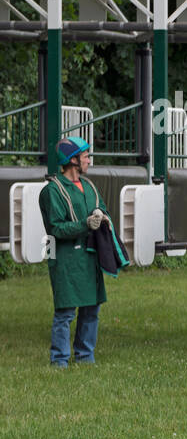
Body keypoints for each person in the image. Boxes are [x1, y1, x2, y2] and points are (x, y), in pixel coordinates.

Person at [38, 137, 108, 367]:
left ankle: (85, 357)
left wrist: (103, 217)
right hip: (65, 259)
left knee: (91, 310)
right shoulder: (52, 191)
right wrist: (85, 224)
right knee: (65, 312)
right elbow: (56, 228)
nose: (89, 160)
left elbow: (102, 209)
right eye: (86, 156)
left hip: (89, 257)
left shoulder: (89, 186)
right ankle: (59, 360)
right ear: (73, 160)